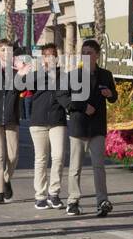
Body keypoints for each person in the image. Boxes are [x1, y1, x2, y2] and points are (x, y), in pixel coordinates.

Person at [60, 39, 116, 217]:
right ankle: (73, 201)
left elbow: (114, 96)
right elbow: (62, 96)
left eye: (89, 52)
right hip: (79, 125)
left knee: (99, 166)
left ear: (97, 55)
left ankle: (102, 201)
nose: (85, 55)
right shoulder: (72, 75)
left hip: (98, 127)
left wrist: (110, 94)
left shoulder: (106, 75)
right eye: (83, 52)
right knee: (75, 166)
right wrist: (82, 107)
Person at [27, 44, 67, 210]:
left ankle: (54, 193)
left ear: (57, 58)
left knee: (58, 157)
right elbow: (22, 86)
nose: (50, 59)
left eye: (53, 55)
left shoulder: (64, 77)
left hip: (57, 121)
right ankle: (40, 196)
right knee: (41, 159)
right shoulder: (36, 76)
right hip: (38, 121)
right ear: (42, 58)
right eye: (47, 56)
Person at [0, 38, 21, 204]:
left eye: (9, 50)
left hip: (11, 118)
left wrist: (22, 72)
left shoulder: (17, 73)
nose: (6, 53)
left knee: (14, 155)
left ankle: (6, 178)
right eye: (3, 50)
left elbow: (26, 89)